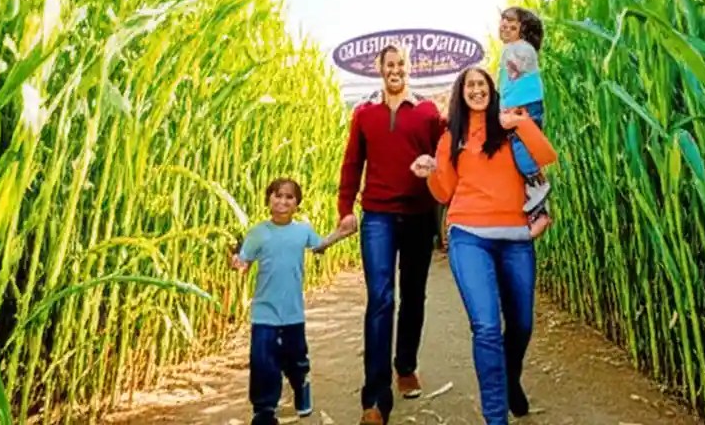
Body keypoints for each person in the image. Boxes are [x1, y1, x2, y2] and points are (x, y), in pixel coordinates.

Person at [411, 67, 557, 425]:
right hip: (469, 236)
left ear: (492, 90)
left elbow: (545, 156)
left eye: (482, 84)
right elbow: (445, 193)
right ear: (461, 94)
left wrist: (519, 123)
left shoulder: (512, 128)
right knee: (488, 327)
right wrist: (430, 171)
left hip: (516, 238)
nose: (476, 90)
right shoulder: (451, 137)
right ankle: (496, 417)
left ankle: (511, 380)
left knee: (521, 324)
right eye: (469, 85)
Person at [338, 44, 446, 425]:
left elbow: (447, 157)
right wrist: (345, 209)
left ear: (409, 68)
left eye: (401, 64)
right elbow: (353, 162)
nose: (395, 70)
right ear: (379, 69)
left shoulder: (430, 112)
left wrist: (435, 166)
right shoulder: (364, 113)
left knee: (414, 294)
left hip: (419, 216)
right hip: (378, 216)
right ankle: (375, 398)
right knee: (381, 299)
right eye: (389, 65)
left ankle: (406, 366)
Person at [232, 177, 352, 425]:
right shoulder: (258, 233)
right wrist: (237, 263)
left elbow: (319, 246)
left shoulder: (302, 231)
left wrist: (341, 232)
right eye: (277, 195)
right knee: (263, 361)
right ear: (268, 199)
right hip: (264, 312)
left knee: (296, 358)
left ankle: (301, 385)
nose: (282, 201)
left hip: (292, 313)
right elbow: (243, 261)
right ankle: (264, 411)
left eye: (289, 197)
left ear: (297, 203)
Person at [497, 6, 552, 238]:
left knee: (521, 149)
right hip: (520, 106)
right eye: (503, 21)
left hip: (524, 106)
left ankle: (538, 184)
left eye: (512, 24)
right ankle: (533, 194)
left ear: (524, 29)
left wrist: (506, 110)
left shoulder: (521, 49)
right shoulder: (514, 49)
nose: (505, 27)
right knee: (518, 149)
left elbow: (514, 75)